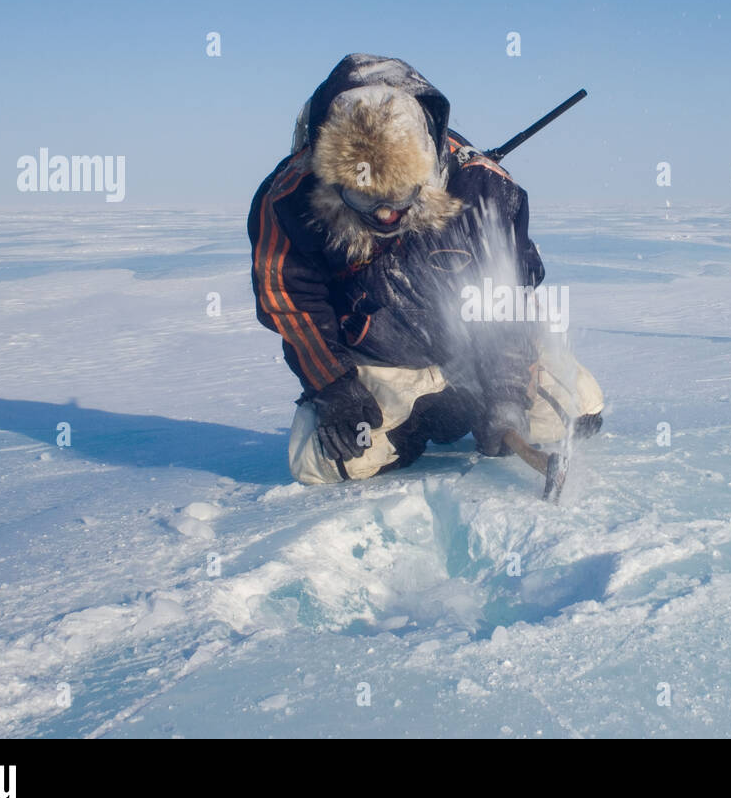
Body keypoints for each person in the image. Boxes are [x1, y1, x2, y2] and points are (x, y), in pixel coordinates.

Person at [247, 53, 602, 484]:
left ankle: (485, 404)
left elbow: (508, 304)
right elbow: (290, 303)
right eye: (363, 198)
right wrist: (333, 385)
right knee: (321, 462)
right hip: (383, 367)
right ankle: (412, 426)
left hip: (478, 356)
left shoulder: (486, 189)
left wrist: (506, 395)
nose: (383, 215)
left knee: (579, 409)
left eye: (398, 195)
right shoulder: (288, 200)